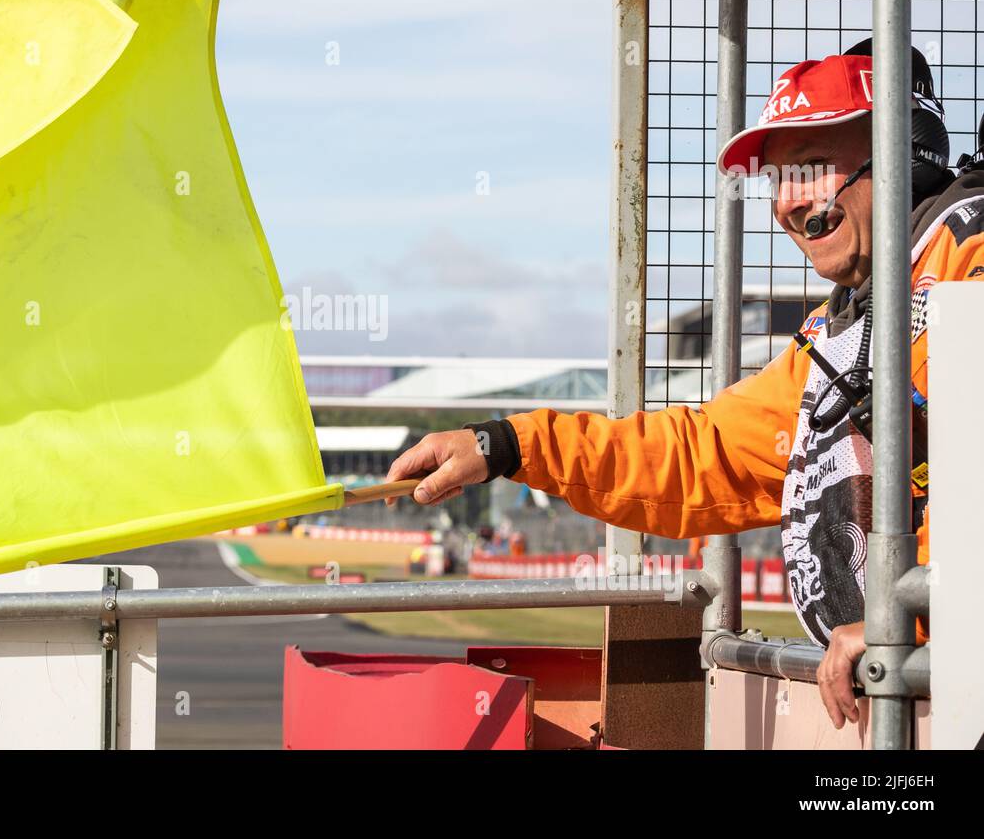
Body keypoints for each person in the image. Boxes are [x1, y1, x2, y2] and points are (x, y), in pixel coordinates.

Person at [387, 40, 984, 730]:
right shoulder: (849, 324)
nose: (786, 206)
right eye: (776, 182)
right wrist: (508, 445)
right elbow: (706, 455)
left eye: (810, 170)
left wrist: (910, 619)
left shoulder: (965, 262)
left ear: (902, 153)